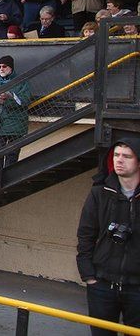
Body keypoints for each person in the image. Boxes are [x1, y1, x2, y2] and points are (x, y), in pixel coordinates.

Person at [77, 137, 140, 335]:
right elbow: (85, 235)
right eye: (116, 155)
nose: (119, 160)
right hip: (102, 284)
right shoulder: (99, 193)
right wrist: (88, 275)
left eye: (127, 156)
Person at [0, 55, 30, 186]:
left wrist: (10, 97)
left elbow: (25, 100)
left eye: (4, 66)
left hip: (16, 124)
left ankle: (8, 181)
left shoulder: (22, 81)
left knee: (12, 155)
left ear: (11, 68)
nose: (1, 69)